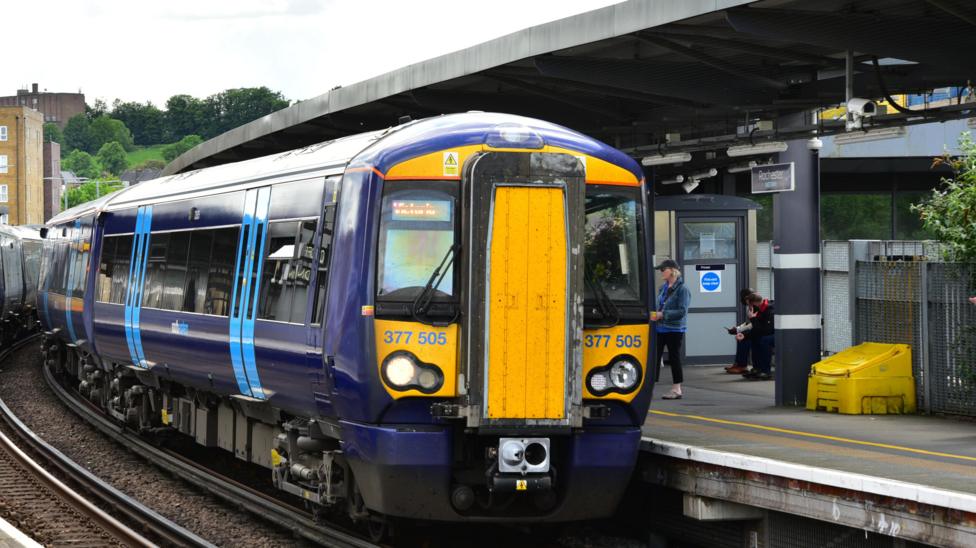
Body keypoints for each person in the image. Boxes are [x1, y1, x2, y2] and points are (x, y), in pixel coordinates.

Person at [651, 259, 691, 399]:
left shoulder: (683, 289)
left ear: (672, 270)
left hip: (674, 329)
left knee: (674, 358)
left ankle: (677, 389)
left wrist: (663, 314)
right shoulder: (663, 288)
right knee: (653, 357)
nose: (661, 272)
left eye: (663, 270)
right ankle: (649, 388)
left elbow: (682, 311)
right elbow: (659, 305)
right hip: (660, 327)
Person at [740, 292, 774, 380]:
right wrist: (744, 336)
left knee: (764, 340)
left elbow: (766, 330)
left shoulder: (769, 310)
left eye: (749, 305)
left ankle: (766, 371)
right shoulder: (758, 309)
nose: (749, 307)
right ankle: (757, 369)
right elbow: (756, 329)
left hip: (775, 335)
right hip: (766, 333)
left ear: (754, 303)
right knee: (753, 338)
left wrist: (753, 318)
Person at [724, 288, 757, 375]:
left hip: (761, 330)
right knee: (741, 335)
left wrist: (738, 329)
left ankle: (742, 366)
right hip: (756, 329)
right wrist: (737, 328)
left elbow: (754, 324)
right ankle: (738, 364)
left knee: (744, 338)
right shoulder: (749, 307)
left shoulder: (756, 307)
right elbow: (748, 323)